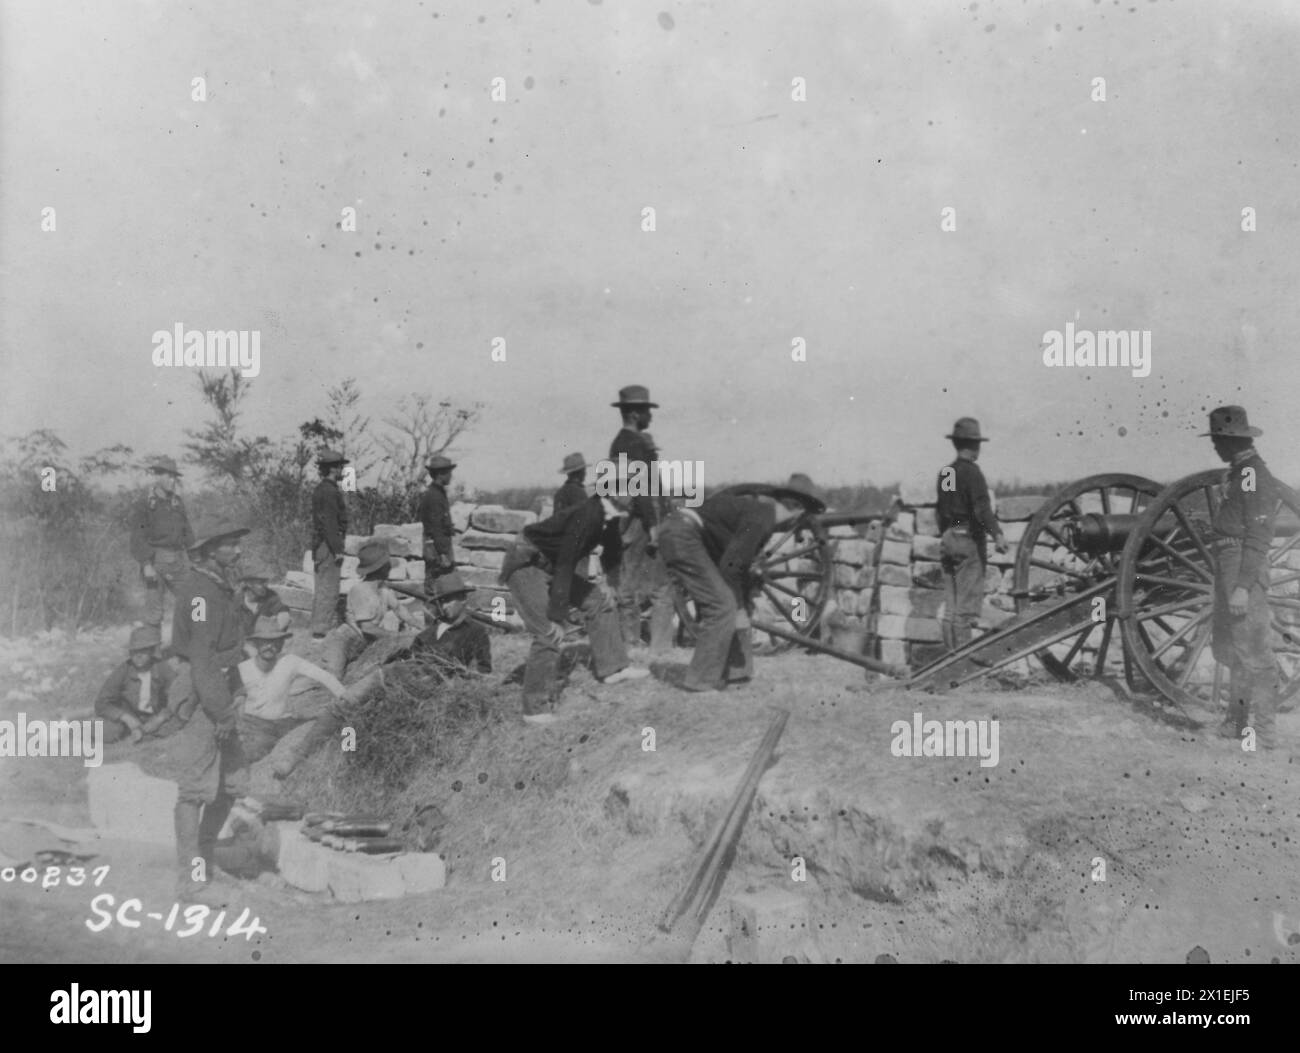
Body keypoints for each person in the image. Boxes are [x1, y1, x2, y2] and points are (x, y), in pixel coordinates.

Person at [287, 574, 491, 768]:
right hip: (394, 673)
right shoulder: (430, 630)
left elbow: (482, 671)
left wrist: (455, 680)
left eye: (449, 601)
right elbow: (411, 653)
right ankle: (296, 757)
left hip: (425, 684)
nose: (443, 606)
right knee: (345, 702)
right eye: (441, 601)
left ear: (463, 599)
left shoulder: (475, 632)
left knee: (383, 722)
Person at [500, 493, 648, 725]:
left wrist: (610, 582)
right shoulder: (588, 515)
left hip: (551, 563)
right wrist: (557, 617)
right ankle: (535, 710)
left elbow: (613, 550)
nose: (634, 497)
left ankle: (614, 668)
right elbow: (567, 564)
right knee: (548, 632)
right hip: (527, 563)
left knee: (599, 601)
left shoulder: (610, 515)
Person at [657, 479, 812, 692]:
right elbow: (731, 567)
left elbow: (733, 563)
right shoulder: (762, 519)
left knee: (726, 603)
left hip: (680, 532)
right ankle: (700, 683)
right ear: (797, 510)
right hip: (682, 534)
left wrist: (741, 602)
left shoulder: (757, 512)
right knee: (723, 607)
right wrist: (739, 606)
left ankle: (736, 675)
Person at [170, 517, 251, 906]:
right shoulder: (200, 593)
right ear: (210, 549)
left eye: (237, 544)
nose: (237, 550)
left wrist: (235, 695)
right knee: (195, 789)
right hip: (203, 693)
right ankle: (191, 880)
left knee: (232, 784)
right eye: (230, 544)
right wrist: (221, 712)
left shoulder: (220, 587)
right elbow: (201, 658)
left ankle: (205, 858)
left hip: (223, 688)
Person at [1203, 406, 1281, 751]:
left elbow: (1258, 537)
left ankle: (1265, 735)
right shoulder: (1239, 473)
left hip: (1241, 565)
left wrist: (1243, 587)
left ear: (1230, 440)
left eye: (1218, 440)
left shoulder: (1253, 475)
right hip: (1227, 561)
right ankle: (1236, 723)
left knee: (1256, 654)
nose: (1215, 447)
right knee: (1236, 649)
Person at [231, 617, 356, 779]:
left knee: (329, 725)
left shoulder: (289, 662)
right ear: (256, 644)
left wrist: (346, 699)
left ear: (282, 643)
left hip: (281, 723)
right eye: (264, 642)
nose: (270, 646)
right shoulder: (242, 669)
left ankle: (347, 764)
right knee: (251, 752)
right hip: (252, 725)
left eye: (275, 642)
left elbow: (326, 677)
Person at [608, 385, 674, 655]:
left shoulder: (620, 442)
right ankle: (656, 647)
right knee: (657, 584)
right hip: (642, 520)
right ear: (635, 414)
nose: (651, 416)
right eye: (647, 410)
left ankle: (632, 642)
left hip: (630, 518)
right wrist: (654, 525)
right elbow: (643, 488)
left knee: (630, 581)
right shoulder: (634, 443)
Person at [934, 418, 1007, 652]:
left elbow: (941, 510)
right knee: (965, 610)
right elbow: (981, 509)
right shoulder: (973, 473)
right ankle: (962, 668)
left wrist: (947, 533)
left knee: (951, 608)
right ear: (975, 446)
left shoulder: (947, 473)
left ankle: (948, 660)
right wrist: (997, 534)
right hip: (968, 540)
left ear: (955, 443)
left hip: (949, 537)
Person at [128, 455, 193, 631]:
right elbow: (138, 536)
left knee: (195, 601)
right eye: (168, 476)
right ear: (158, 476)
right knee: (154, 611)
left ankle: (194, 647)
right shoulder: (145, 504)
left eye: (174, 477)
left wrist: (196, 558)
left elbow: (187, 533)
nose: (172, 480)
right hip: (155, 560)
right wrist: (146, 565)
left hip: (179, 560)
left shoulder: (177, 503)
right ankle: (152, 652)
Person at [93, 625, 178, 744]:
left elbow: (177, 696)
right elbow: (101, 703)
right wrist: (125, 717)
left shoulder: (162, 668)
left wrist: (160, 718)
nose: (138, 655)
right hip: (128, 719)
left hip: (155, 717)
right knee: (109, 732)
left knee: (174, 727)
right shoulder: (123, 670)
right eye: (134, 651)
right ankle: (69, 729)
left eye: (143, 651)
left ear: (151, 651)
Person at [345, 539, 424, 638]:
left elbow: (398, 609)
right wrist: (401, 636)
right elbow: (367, 628)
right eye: (387, 564)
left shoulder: (382, 588)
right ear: (381, 568)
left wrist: (419, 625)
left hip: (370, 638)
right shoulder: (361, 591)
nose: (390, 567)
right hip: (352, 642)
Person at [310, 448, 350, 638]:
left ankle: (321, 629)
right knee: (328, 588)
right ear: (333, 469)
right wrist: (338, 549)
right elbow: (330, 523)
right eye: (340, 466)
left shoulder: (325, 489)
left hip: (324, 545)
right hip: (328, 546)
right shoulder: (328, 491)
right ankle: (321, 631)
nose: (343, 470)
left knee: (324, 588)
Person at [418, 455, 457, 580]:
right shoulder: (434, 496)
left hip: (439, 547)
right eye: (449, 473)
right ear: (441, 474)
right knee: (436, 586)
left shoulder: (438, 493)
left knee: (441, 585)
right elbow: (436, 526)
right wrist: (443, 554)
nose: (451, 476)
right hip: (437, 549)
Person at [236, 566, 291, 638]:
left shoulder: (270, 596)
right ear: (249, 584)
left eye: (265, 582)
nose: (265, 586)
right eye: (260, 583)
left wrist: (276, 629)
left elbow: (284, 614)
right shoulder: (236, 598)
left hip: (264, 639)